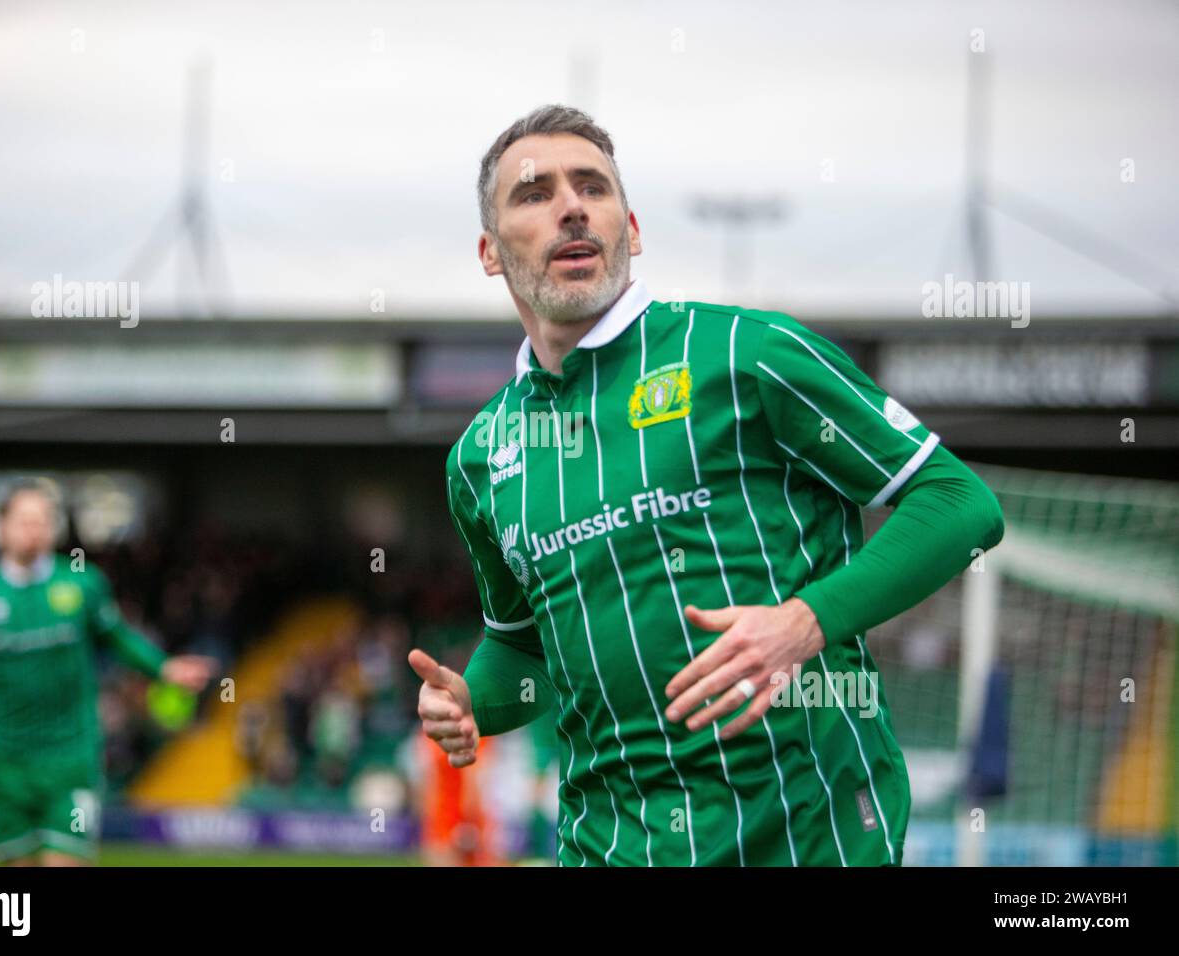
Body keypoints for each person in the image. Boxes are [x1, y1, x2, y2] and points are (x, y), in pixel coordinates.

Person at [409, 105, 1004, 866]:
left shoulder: (747, 354)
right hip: (609, 844)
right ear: (491, 253)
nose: (571, 206)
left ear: (632, 226)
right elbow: (519, 650)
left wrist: (803, 621)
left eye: (592, 186)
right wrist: (472, 704)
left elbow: (960, 503)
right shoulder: (482, 457)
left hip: (803, 838)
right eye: (535, 193)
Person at [0, 480, 214, 865]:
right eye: (25, 520)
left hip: (71, 762)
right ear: (2, 527)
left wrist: (164, 666)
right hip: (8, 766)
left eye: (42, 521)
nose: (34, 529)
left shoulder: (82, 586)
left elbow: (118, 637)